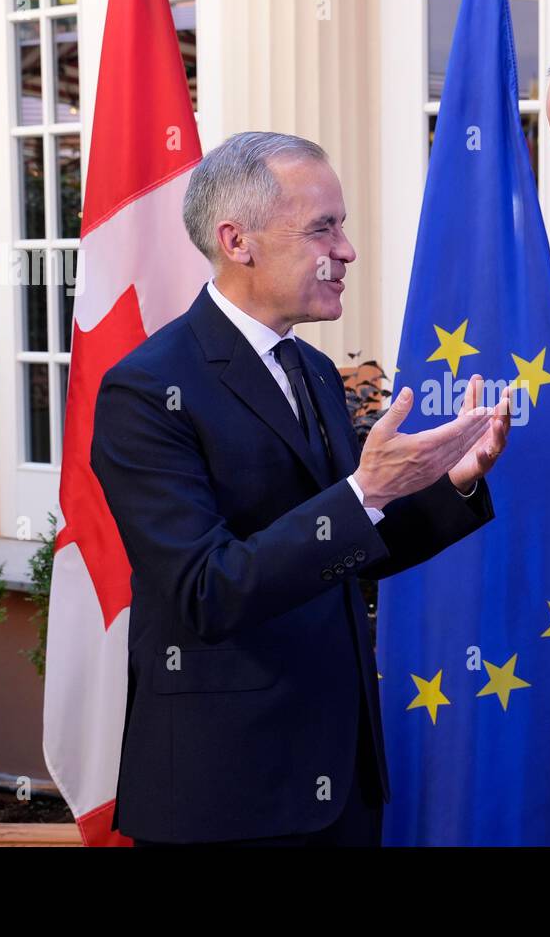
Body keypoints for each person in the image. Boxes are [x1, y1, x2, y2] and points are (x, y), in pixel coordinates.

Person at [90, 132, 511, 846]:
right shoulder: (145, 388)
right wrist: (364, 492)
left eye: (342, 225)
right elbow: (207, 589)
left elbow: (347, 550)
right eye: (324, 228)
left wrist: (450, 485)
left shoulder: (312, 371)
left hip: (340, 782)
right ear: (237, 240)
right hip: (226, 799)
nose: (345, 250)